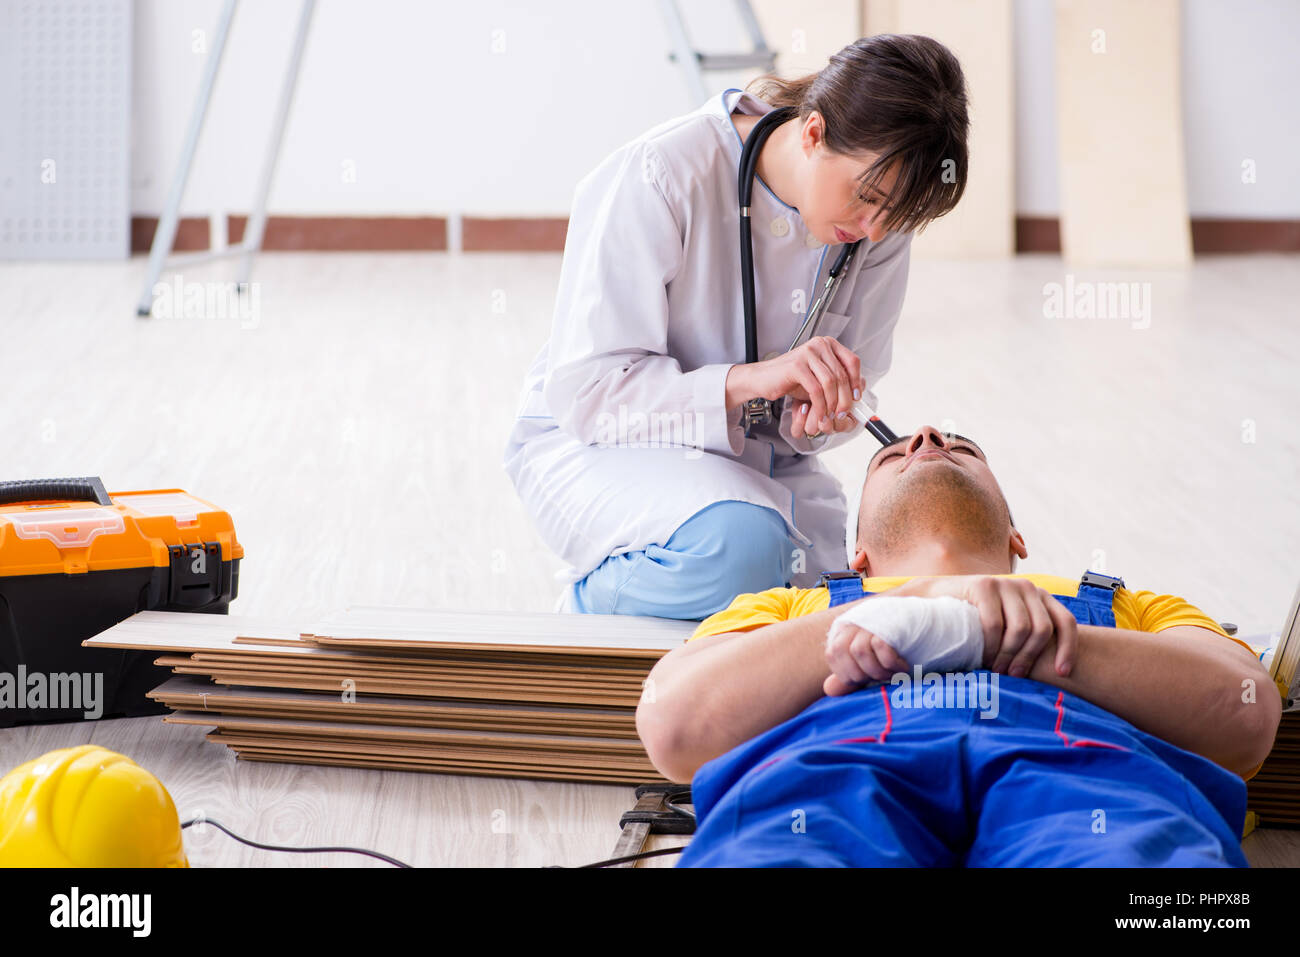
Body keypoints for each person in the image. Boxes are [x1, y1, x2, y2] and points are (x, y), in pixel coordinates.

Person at [636, 426, 1283, 867]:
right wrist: (910, 605)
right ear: (854, 555)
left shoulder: (1129, 604)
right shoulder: (786, 605)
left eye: (962, 446)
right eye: (891, 455)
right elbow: (675, 721)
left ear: (1017, 537)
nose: (927, 437)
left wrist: (1030, 636)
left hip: (1096, 779)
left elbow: (1244, 712)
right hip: (831, 775)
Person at [503, 36, 970, 620]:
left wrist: (817, 418)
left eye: (895, 216)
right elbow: (591, 392)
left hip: (757, 468)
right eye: (867, 198)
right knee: (740, 551)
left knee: (834, 611)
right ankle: (591, 606)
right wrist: (751, 382)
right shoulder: (661, 172)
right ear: (814, 132)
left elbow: (859, 380)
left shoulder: (878, 230)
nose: (875, 230)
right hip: (597, 443)